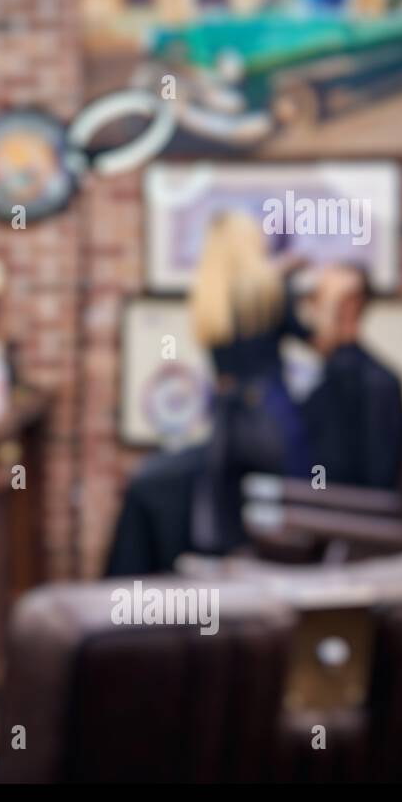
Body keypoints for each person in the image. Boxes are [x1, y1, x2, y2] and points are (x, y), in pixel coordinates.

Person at [107, 211, 308, 575]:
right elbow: (306, 334)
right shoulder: (270, 289)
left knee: (226, 515)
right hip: (270, 414)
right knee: (284, 510)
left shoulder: (209, 297)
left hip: (228, 418)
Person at [300, 265, 402, 490]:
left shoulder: (359, 385)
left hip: (339, 517)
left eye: (316, 300)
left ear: (348, 307)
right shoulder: (336, 376)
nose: (307, 314)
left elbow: (375, 483)